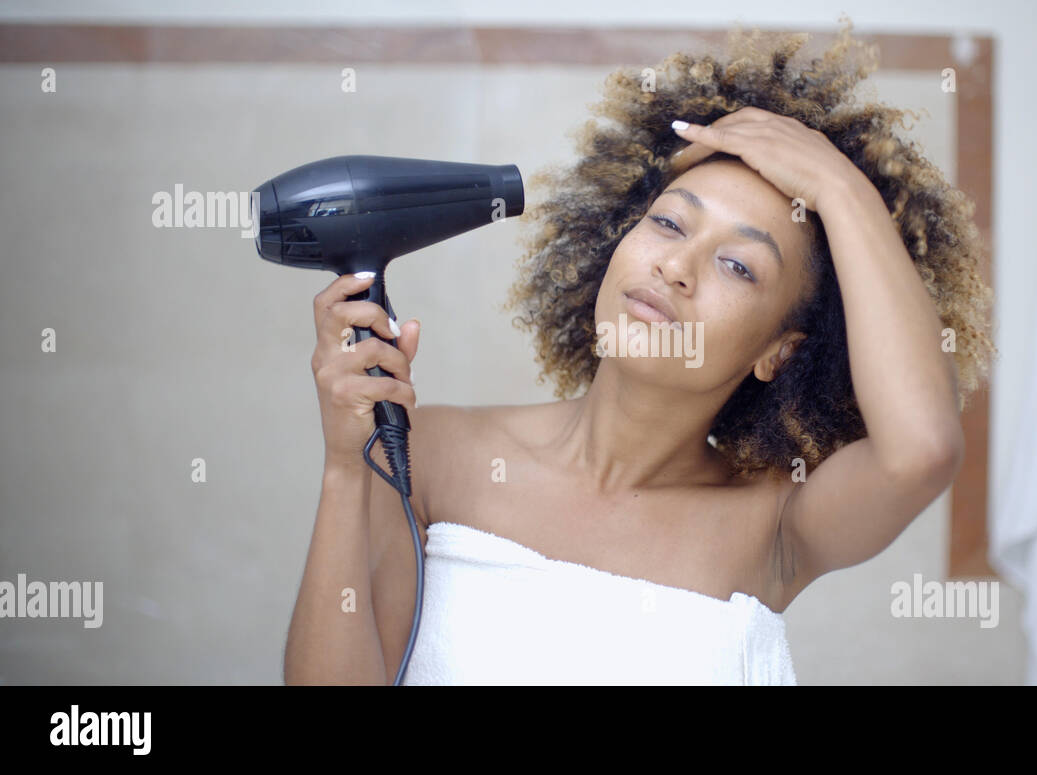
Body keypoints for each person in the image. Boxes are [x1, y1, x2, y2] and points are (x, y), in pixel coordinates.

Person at [284, 18, 996, 685]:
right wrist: (348, 467)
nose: (677, 266)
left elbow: (922, 449)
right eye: (668, 223)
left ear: (780, 352)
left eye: (739, 266)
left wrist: (839, 187)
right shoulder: (429, 454)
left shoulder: (774, 523)